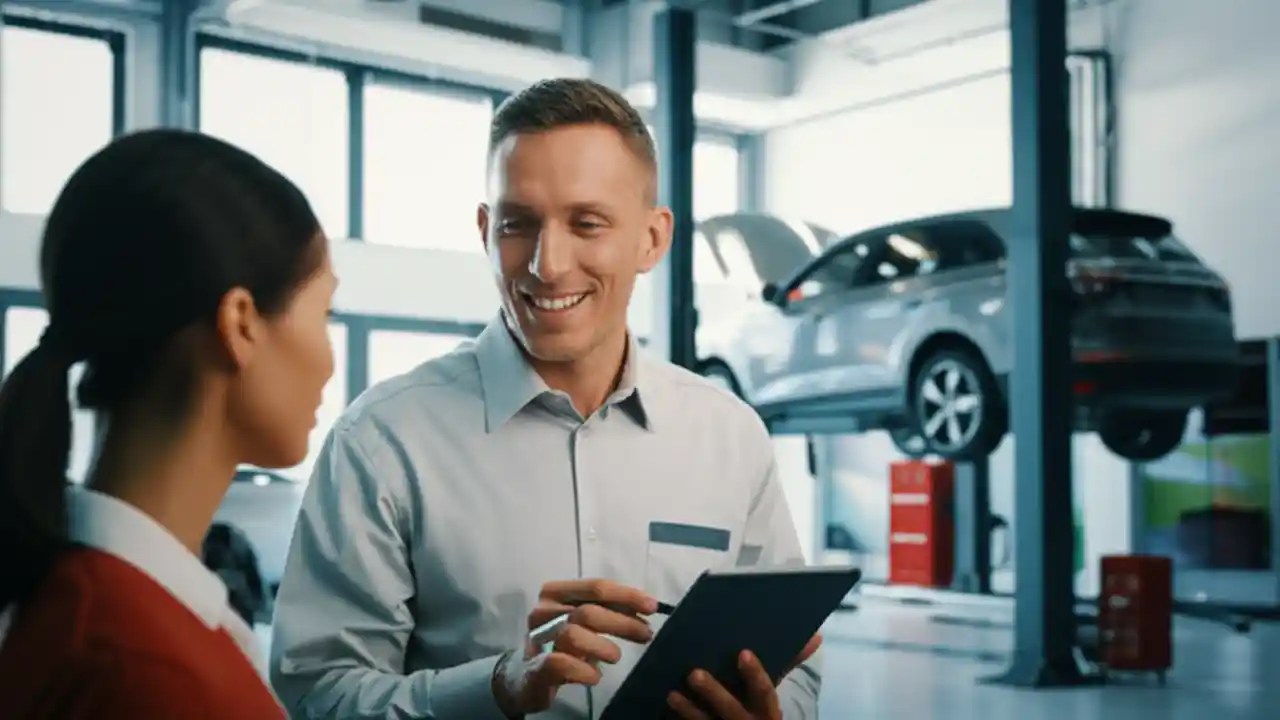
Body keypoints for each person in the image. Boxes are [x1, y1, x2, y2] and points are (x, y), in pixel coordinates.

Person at [270, 78, 821, 719]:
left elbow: (797, 669)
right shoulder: (382, 442)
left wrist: (768, 707)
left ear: (652, 238)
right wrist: (497, 686)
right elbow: (318, 698)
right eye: (518, 224)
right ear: (484, 230)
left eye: (586, 223)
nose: (547, 264)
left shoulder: (731, 437)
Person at [0, 129, 337, 718]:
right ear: (240, 324)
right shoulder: (146, 670)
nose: (330, 361)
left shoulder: (89, 605)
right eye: (323, 314)